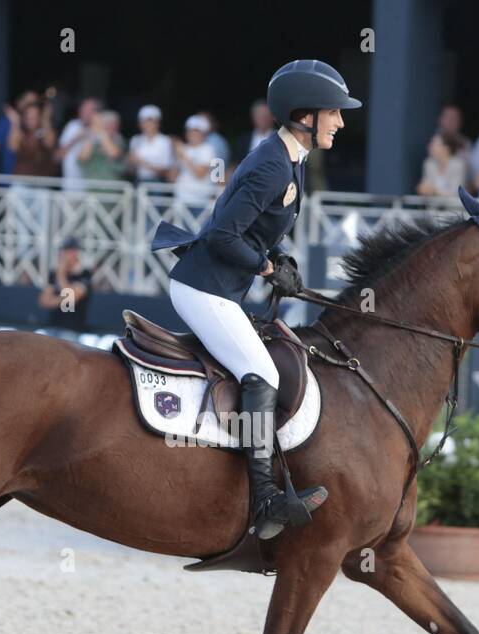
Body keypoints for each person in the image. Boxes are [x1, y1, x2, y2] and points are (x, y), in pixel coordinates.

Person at [151, 60, 361, 540]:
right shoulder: (272, 164)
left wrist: (279, 257)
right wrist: (267, 267)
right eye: (334, 112)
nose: (341, 122)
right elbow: (223, 235)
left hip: (220, 287)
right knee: (261, 372)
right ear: (306, 115)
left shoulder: (288, 158)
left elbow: (255, 225)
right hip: (203, 288)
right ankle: (265, 498)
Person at [37, 237, 93, 329]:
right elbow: (43, 301)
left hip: (73, 329)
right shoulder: (53, 273)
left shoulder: (84, 274)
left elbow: (69, 301)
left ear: (76, 253)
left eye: (68, 251)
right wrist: (62, 299)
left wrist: (61, 274)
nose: (64, 255)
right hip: (53, 326)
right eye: (63, 251)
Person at [54, 96, 101, 192]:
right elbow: (58, 156)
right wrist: (75, 138)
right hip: (70, 186)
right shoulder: (72, 126)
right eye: (83, 109)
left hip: (93, 189)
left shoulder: (102, 130)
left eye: (90, 110)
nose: (85, 112)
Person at [172, 114, 219, 207]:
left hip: (200, 201)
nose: (193, 134)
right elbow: (172, 176)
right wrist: (174, 153)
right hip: (181, 199)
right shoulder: (183, 148)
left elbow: (200, 174)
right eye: (191, 131)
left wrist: (183, 155)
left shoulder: (208, 149)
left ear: (204, 134)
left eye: (197, 131)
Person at [8, 94, 59, 177]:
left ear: (40, 117)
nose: (31, 118)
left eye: (35, 116)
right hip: (21, 183)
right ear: (24, 118)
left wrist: (46, 119)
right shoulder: (21, 132)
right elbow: (13, 147)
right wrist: (15, 124)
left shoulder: (45, 131)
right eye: (29, 116)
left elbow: (50, 143)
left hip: (42, 184)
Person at [78, 109, 127, 184]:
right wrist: (92, 132)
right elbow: (83, 158)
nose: (110, 127)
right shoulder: (93, 139)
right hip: (93, 186)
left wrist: (101, 132)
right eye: (107, 124)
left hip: (112, 187)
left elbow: (114, 154)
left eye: (113, 124)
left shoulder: (119, 140)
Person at [127, 104, 173, 183]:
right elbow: (131, 169)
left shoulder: (165, 141)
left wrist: (142, 162)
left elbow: (165, 170)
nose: (148, 124)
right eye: (144, 121)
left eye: (151, 121)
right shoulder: (135, 139)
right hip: (138, 180)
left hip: (157, 182)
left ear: (158, 123)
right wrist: (130, 162)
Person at [416, 131, 467, 198]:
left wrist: (434, 191)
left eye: (434, 144)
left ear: (446, 148)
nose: (430, 147)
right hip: (433, 207)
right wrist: (422, 188)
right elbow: (425, 188)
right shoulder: (429, 164)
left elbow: (456, 194)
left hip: (454, 207)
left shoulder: (458, 165)